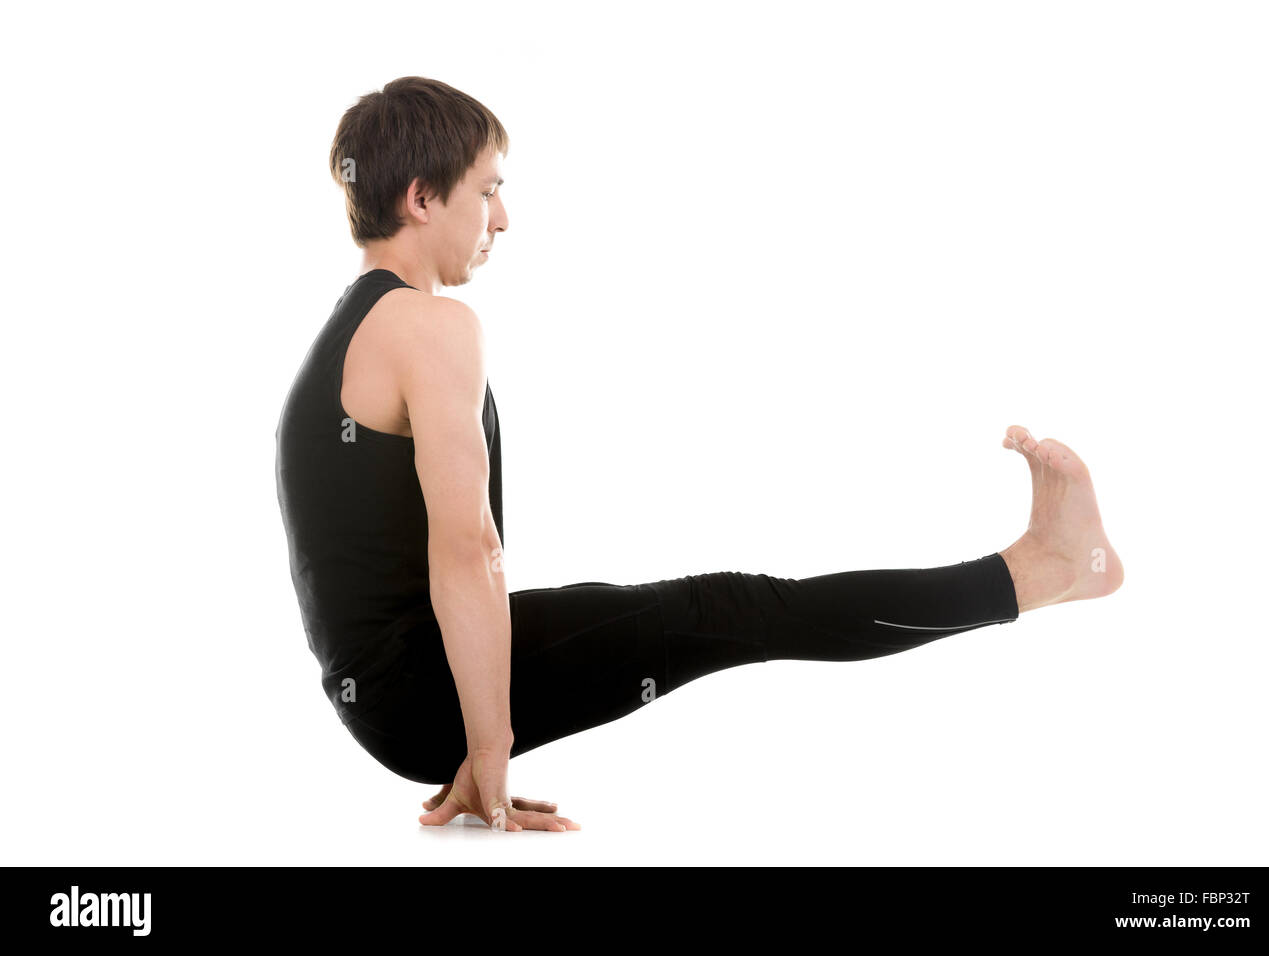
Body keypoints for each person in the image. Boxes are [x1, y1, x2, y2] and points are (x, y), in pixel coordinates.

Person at [274, 76, 1124, 834]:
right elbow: (467, 550)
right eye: (487, 190)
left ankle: (1036, 568)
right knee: (733, 609)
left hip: (397, 703)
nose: (503, 216)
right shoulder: (430, 328)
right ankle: (1040, 570)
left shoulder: (354, 329)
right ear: (422, 197)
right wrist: (489, 748)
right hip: (423, 701)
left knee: (716, 609)